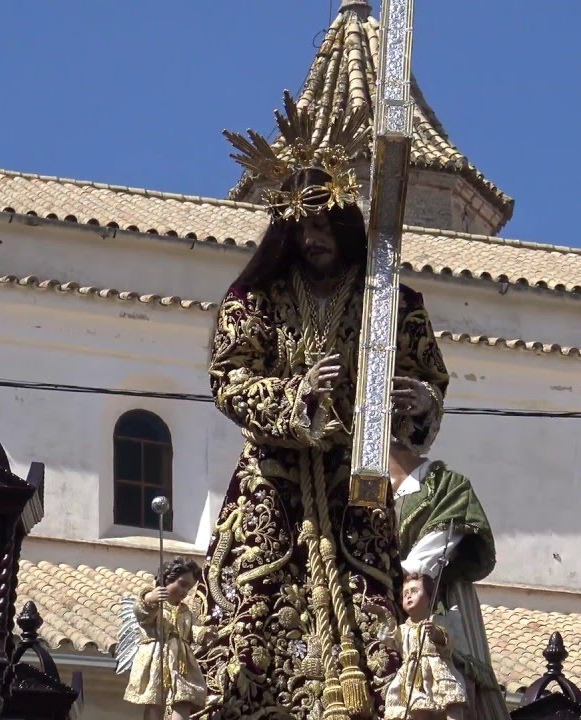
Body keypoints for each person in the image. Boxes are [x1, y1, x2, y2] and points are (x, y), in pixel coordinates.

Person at [195, 95, 450, 720]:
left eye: (325, 224)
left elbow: (423, 380)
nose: (313, 239)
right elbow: (229, 376)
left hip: (356, 489)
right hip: (271, 491)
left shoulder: (390, 301)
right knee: (249, 638)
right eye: (301, 227)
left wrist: (419, 403)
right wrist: (295, 397)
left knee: (376, 633)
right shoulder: (256, 297)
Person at [388, 441, 509, 720]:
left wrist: (391, 576)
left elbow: (422, 564)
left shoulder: (449, 487)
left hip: (436, 598)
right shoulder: (351, 482)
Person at [118, 557, 209, 720]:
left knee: (184, 699)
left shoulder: (185, 611)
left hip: (182, 661)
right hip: (157, 657)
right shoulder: (155, 605)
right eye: (182, 584)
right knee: (155, 701)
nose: (184, 592)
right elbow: (142, 614)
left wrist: (204, 634)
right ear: (167, 579)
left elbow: (192, 630)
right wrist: (150, 599)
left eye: (188, 588)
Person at [382, 573, 468, 720]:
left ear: (430, 598)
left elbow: (450, 639)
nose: (408, 596)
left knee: (452, 703)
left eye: (414, 591)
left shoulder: (439, 620)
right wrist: (383, 615)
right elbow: (388, 639)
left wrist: (436, 633)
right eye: (405, 594)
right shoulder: (403, 629)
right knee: (417, 707)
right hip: (414, 679)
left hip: (438, 673)